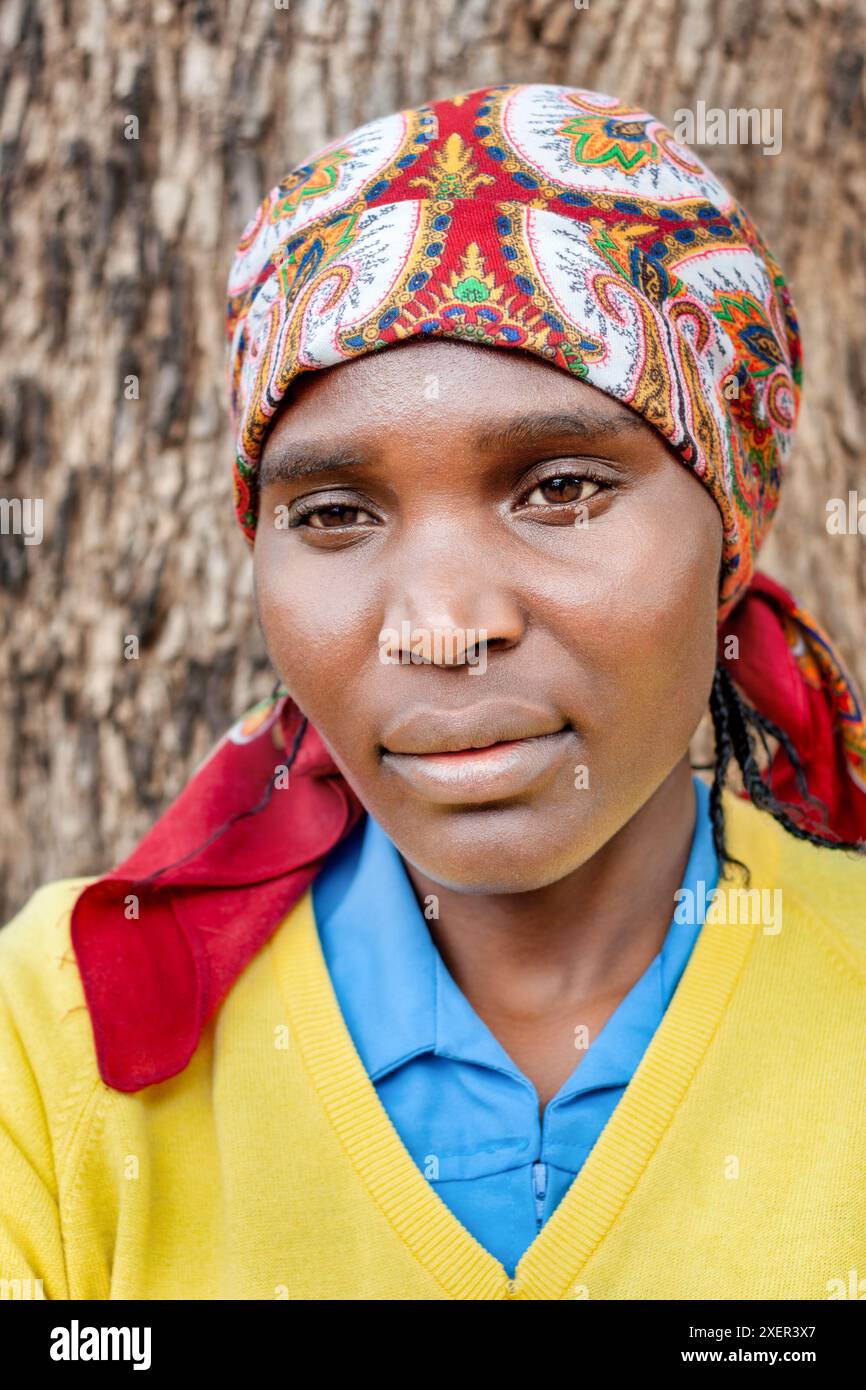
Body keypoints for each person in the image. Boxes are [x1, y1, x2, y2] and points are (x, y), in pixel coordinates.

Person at [2, 83, 865, 1302]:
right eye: (335, 512)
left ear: (730, 537)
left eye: (560, 488)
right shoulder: (55, 1044)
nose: (443, 627)